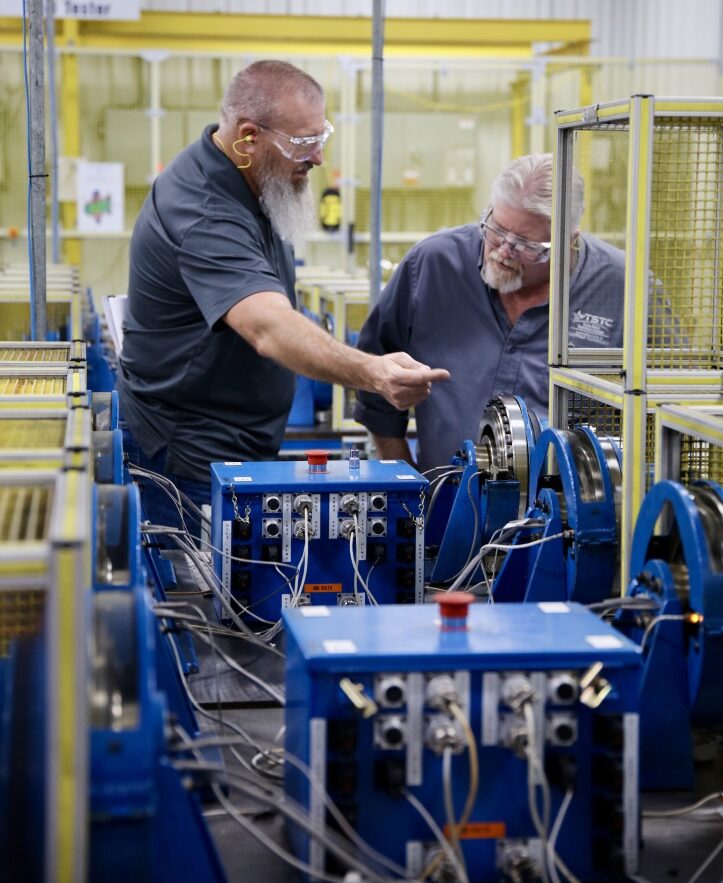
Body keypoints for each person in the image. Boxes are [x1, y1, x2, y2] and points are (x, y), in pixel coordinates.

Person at [116, 60, 448, 527]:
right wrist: (372, 371)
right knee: (205, 591)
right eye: (304, 143)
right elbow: (267, 327)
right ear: (249, 137)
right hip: (187, 455)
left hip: (236, 443)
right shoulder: (205, 209)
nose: (317, 158)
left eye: (322, 138)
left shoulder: (254, 183)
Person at [353, 153, 626, 474]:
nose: (503, 251)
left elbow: (659, 406)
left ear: (569, 240)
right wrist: (405, 481)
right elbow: (375, 378)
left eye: (526, 245)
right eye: (496, 229)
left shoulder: (622, 288)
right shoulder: (432, 266)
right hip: (444, 503)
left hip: (572, 512)